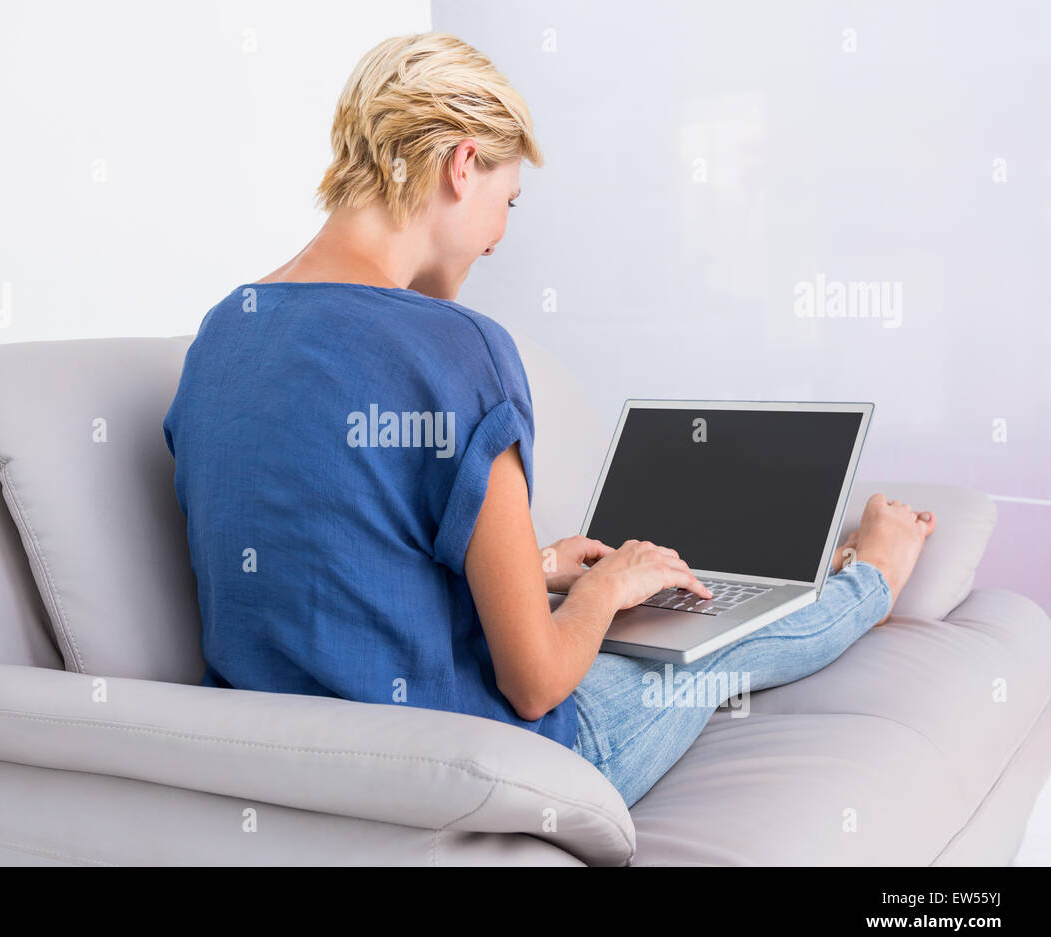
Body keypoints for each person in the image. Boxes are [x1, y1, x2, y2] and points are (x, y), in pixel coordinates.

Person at [162, 31, 936, 806]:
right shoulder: (457, 347)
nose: (499, 238)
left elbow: (339, 566)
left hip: (288, 773)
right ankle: (872, 576)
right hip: (472, 774)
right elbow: (534, 686)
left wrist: (530, 570)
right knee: (698, 649)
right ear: (462, 166)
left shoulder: (225, 331)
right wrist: (610, 588)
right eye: (509, 201)